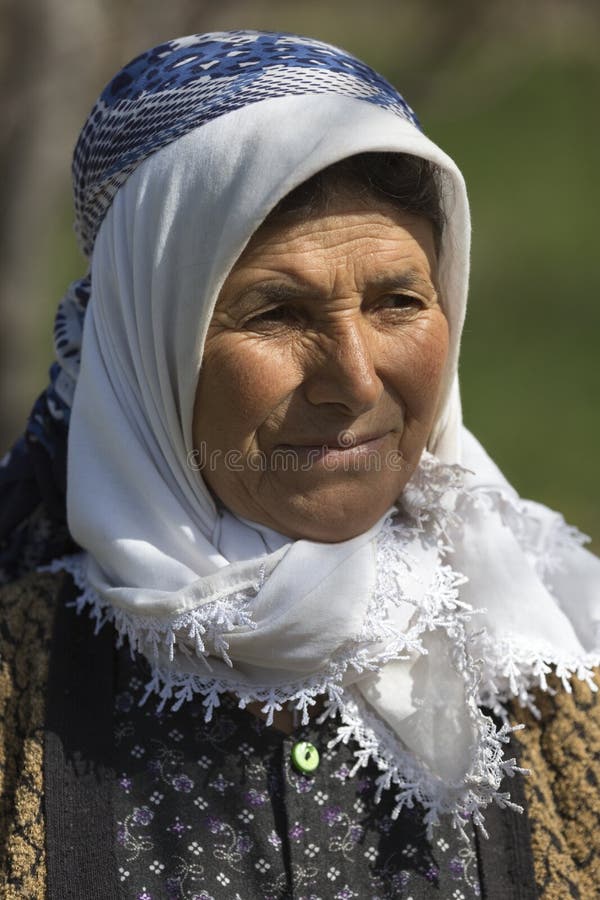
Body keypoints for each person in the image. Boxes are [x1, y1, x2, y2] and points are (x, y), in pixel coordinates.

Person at [0, 30, 598, 900]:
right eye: (276, 312)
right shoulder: (21, 687)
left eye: (399, 300)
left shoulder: (551, 670)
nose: (354, 382)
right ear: (146, 349)